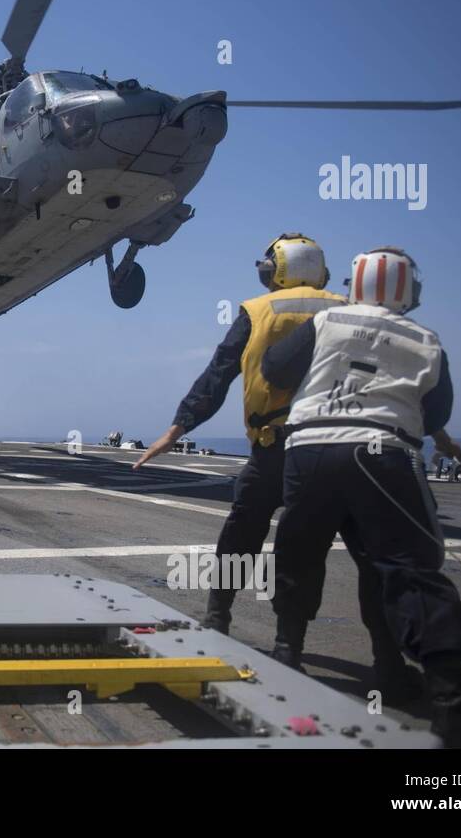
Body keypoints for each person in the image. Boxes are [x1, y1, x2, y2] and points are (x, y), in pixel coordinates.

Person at [262, 248, 461, 746]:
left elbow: (276, 370)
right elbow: (434, 416)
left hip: (310, 449)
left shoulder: (326, 319)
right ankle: (448, 702)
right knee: (407, 569)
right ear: (410, 290)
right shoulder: (426, 339)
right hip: (382, 454)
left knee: (299, 553)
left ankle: (287, 655)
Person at [133, 234, 417, 699]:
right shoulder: (350, 307)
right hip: (347, 447)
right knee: (369, 557)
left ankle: (227, 622)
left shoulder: (258, 311)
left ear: (277, 270)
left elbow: (218, 374)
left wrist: (178, 427)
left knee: (243, 535)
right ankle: (387, 665)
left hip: (275, 446)